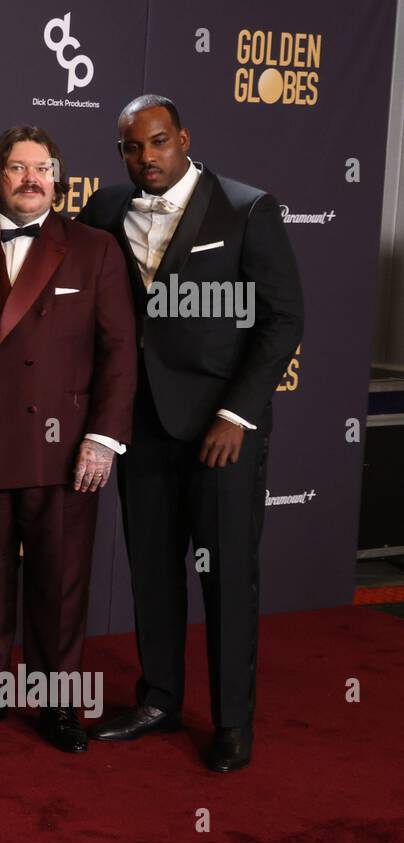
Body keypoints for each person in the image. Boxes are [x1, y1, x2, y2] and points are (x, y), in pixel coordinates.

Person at [77, 95, 303, 771]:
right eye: (131, 148)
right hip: (140, 425)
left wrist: (237, 415)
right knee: (152, 569)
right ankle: (159, 698)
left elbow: (282, 321)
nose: (145, 157)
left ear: (183, 137)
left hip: (220, 429)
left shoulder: (246, 207)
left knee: (228, 575)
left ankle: (233, 720)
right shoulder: (105, 209)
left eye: (156, 143)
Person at [0, 126, 136, 753]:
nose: (30, 179)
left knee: (61, 582)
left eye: (41, 168)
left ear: (57, 178)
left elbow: (119, 351)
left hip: (64, 446)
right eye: (16, 168)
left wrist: (105, 438)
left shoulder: (95, 248)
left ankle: (58, 699)